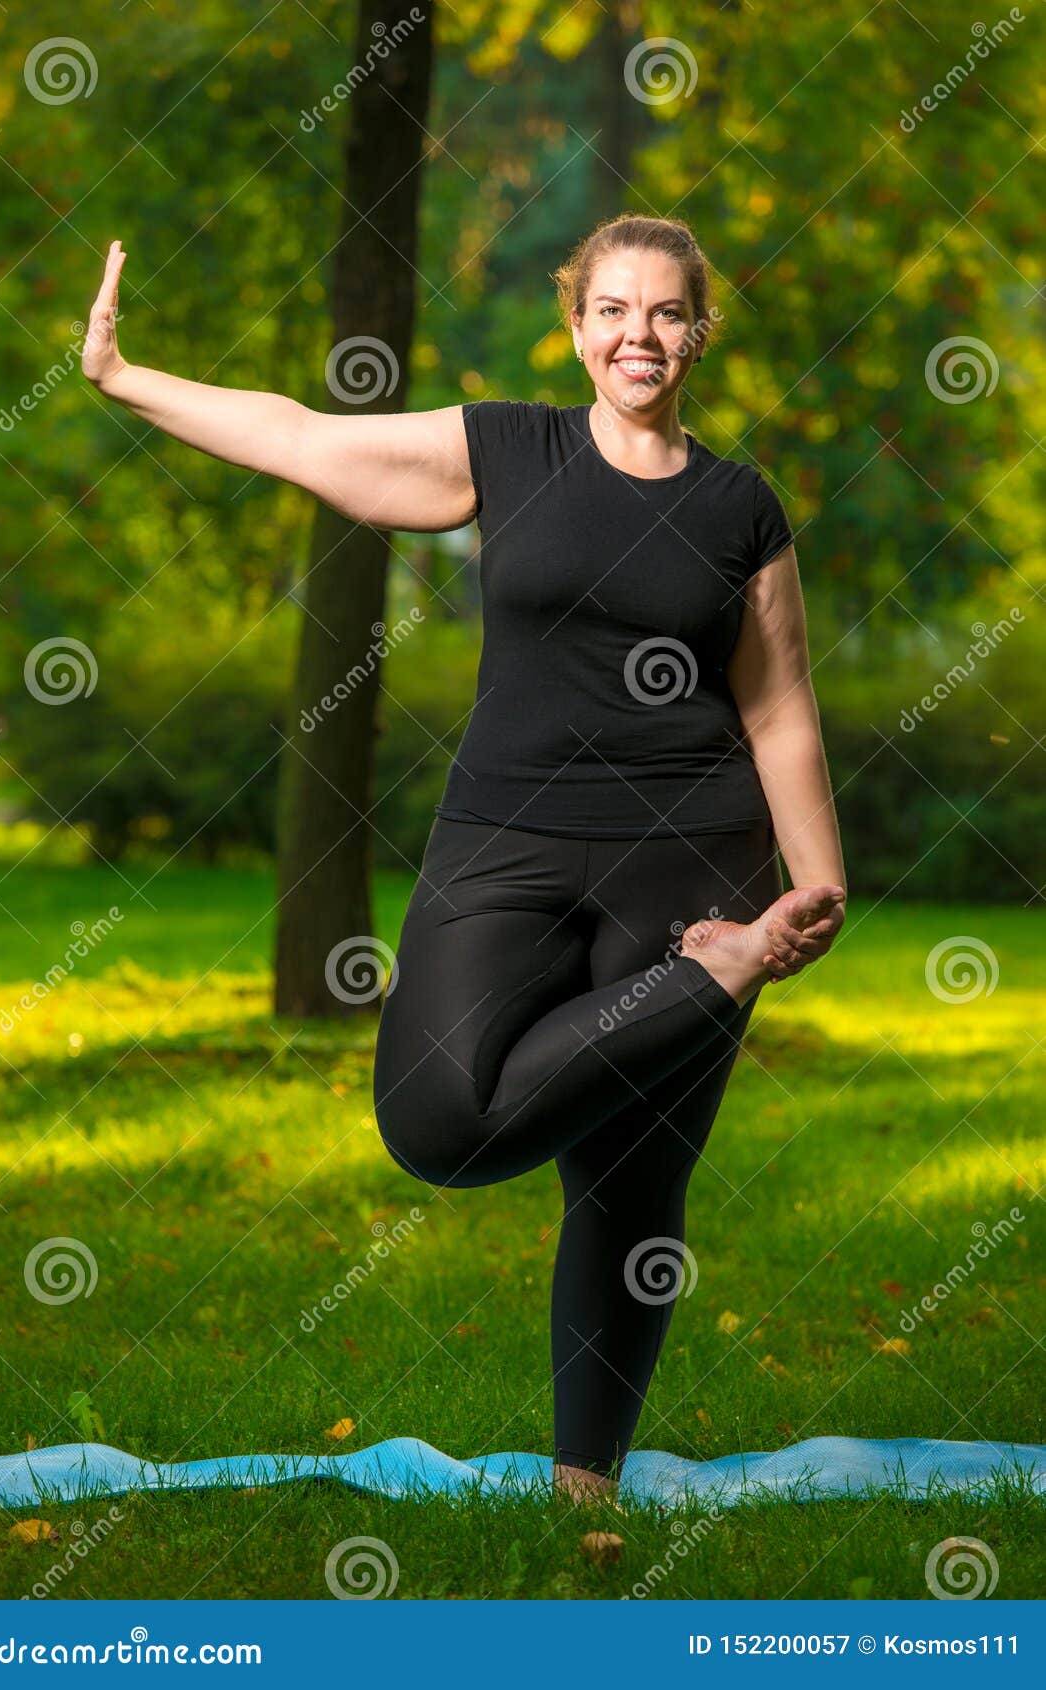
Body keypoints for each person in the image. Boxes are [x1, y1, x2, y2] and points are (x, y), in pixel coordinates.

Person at [82, 212, 845, 1508]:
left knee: (631, 1180)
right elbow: (308, 438)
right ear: (576, 325)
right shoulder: (509, 450)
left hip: (692, 850)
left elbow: (778, 707)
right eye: (613, 308)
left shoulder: (739, 506)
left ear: (699, 331)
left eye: (665, 311)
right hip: (508, 839)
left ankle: (585, 1493)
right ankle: (710, 980)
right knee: (437, 1119)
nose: (638, 333)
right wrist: (123, 378)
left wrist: (811, 883)